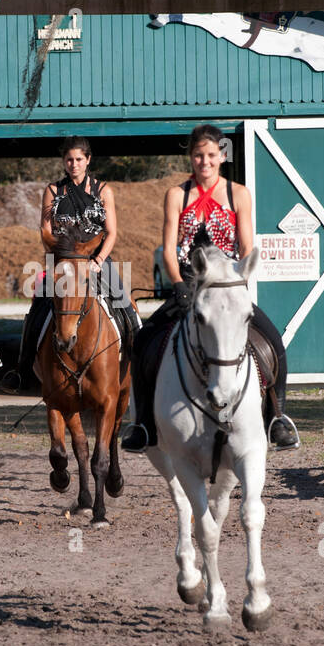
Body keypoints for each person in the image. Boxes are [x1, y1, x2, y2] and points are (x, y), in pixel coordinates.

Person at [122, 124, 299, 452]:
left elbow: (246, 247)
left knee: (273, 340)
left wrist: (238, 284)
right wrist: (177, 284)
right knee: (144, 339)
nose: (204, 161)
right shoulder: (177, 195)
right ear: (190, 157)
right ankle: (143, 423)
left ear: (222, 156)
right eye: (198, 155)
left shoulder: (238, 194)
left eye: (211, 155)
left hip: (228, 286)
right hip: (189, 285)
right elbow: (167, 248)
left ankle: (277, 418)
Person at [1, 135, 139, 393]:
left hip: (97, 261)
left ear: (88, 160)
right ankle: (21, 369)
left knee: (126, 307)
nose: (73, 164)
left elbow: (111, 232)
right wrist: (59, 261)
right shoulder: (53, 191)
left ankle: (139, 364)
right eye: (69, 159)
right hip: (63, 262)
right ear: (64, 162)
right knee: (37, 311)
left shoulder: (103, 190)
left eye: (78, 159)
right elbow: (45, 230)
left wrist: (97, 261)